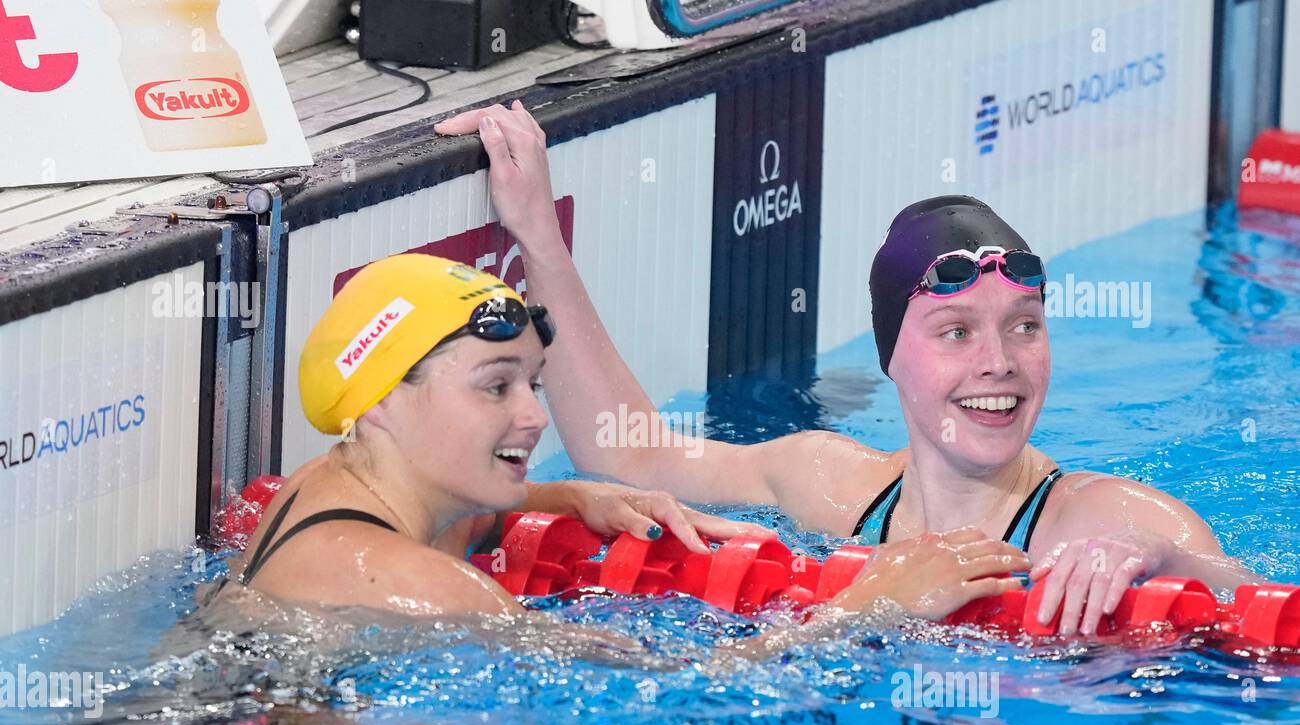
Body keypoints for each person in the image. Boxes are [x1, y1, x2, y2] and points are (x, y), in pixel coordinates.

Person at [433, 101, 1261, 639]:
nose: (999, 363)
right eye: (955, 332)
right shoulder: (830, 483)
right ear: (891, 356)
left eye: (1025, 327)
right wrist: (538, 235)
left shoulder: (1115, 519)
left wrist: (1167, 565)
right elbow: (632, 455)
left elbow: (1260, 615)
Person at [213, 252, 1030, 651]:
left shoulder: (328, 484)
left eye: (533, 384)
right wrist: (864, 606)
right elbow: (664, 684)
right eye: (496, 387)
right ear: (383, 401)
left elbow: (426, 509)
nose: (534, 418)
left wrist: (567, 497)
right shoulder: (405, 580)